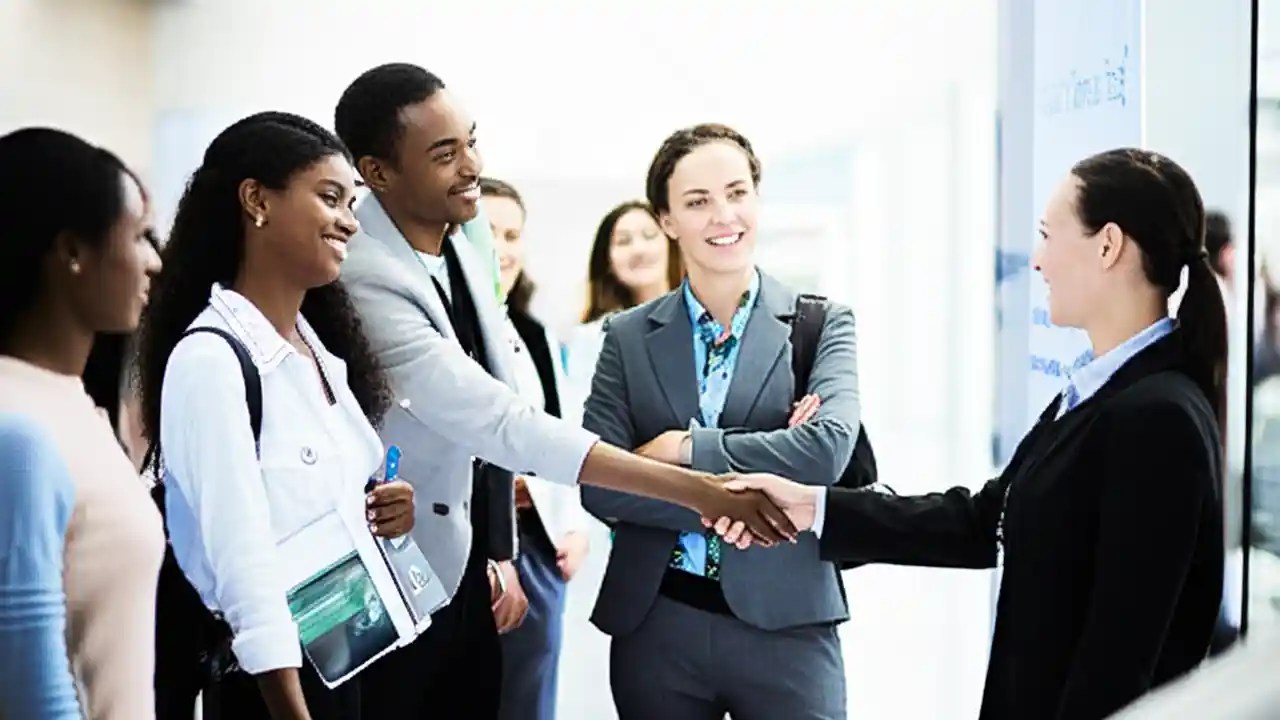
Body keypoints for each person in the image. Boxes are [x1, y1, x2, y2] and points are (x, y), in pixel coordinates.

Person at [332, 62, 794, 720]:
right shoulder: (366, 276)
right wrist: (698, 487)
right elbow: (500, 420)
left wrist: (497, 550)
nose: (472, 166)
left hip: (468, 560)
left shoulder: (464, 244)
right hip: (388, 568)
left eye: (471, 140)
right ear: (377, 172)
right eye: (445, 153)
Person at [708, 148, 1230, 720]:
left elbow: (1121, 662)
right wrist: (812, 506)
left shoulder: (1157, 417)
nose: (1037, 261)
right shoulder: (1102, 393)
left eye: (1048, 236)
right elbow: (985, 523)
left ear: (1108, 245)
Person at [135, 111, 416, 720]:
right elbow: (244, 565)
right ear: (257, 200)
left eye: (352, 202)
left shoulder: (315, 348)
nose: (349, 220)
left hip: (340, 661)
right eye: (330, 197)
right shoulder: (211, 360)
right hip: (272, 687)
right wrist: (291, 710)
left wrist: (383, 508)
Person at [579, 123, 852, 720]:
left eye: (736, 193)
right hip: (657, 624)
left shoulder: (820, 325)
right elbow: (598, 484)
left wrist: (679, 450)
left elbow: (825, 453)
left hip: (788, 627)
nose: (722, 215)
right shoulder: (626, 337)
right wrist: (758, 487)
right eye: (697, 202)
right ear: (668, 220)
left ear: (757, 198)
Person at [0, 127, 164, 719]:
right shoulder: (16, 426)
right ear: (72, 251)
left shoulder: (71, 405)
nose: (154, 259)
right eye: (140, 235)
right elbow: (28, 688)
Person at [479, 177, 591, 720]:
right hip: (464, 548)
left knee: (529, 698)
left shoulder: (534, 333)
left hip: (536, 543)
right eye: (487, 232)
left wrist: (573, 528)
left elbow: (563, 433)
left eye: (513, 234)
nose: (502, 249)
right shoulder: (431, 330)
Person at [563, 200, 681, 396]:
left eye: (649, 236)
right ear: (607, 261)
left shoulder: (706, 320)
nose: (638, 250)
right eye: (623, 241)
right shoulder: (590, 341)